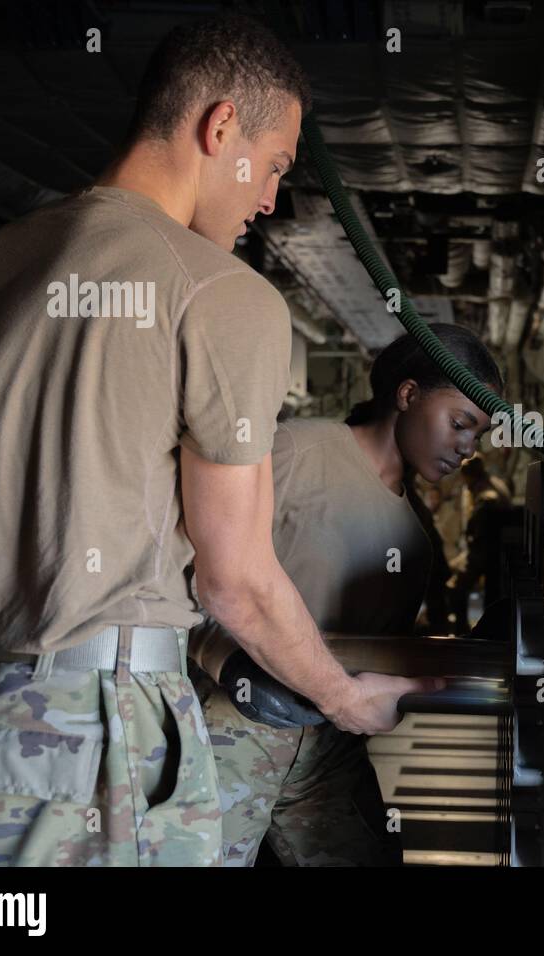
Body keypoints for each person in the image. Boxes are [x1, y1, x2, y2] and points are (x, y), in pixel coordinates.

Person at [0, 13, 425, 867]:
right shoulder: (222, 294)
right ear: (220, 125)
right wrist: (345, 697)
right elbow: (237, 581)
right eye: (272, 166)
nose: (268, 199)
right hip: (96, 739)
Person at [189, 323, 502, 865]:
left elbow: (369, 660)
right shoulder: (294, 451)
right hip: (231, 724)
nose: (468, 448)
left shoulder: (416, 541)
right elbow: (185, 569)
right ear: (407, 396)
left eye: (478, 435)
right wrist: (228, 664)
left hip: (328, 744)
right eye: (460, 424)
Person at [447, 455, 514, 633]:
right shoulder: (495, 484)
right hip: (498, 554)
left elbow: (480, 542)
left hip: (489, 554)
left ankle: (462, 632)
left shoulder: (486, 499)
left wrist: (465, 568)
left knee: (455, 588)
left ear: (469, 476)